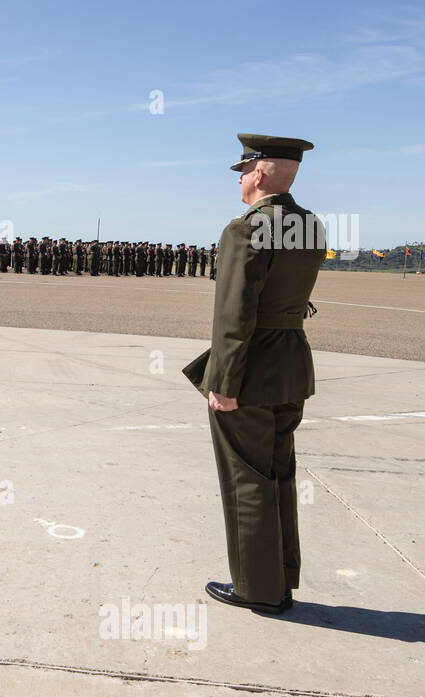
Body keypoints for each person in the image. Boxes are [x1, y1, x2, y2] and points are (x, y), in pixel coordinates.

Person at [183, 133, 324, 615]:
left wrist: (222, 381)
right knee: (278, 471)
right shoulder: (310, 225)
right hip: (290, 362)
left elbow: (234, 314)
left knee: (247, 478)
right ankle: (279, 578)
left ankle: (257, 588)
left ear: (259, 172)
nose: (241, 179)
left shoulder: (247, 228)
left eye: (243, 171)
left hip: (251, 368)